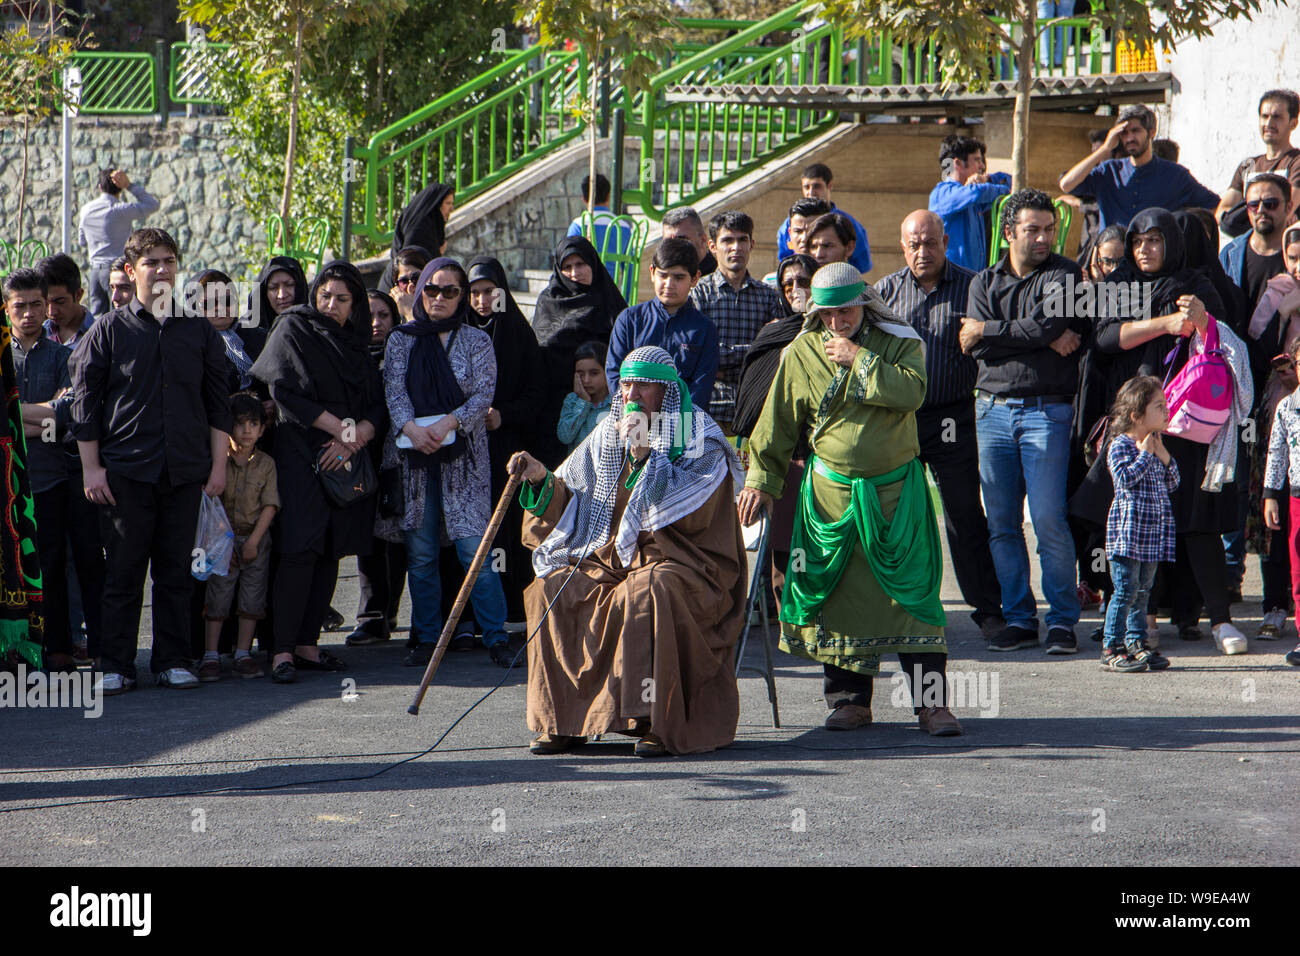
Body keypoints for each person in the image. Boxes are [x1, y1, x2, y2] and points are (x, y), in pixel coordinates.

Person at [741, 262, 959, 735]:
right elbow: (777, 423)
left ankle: (931, 704)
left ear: (864, 304)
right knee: (837, 596)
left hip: (896, 495)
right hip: (831, 496)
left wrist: (858, 358)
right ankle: (849, 701)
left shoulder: (900, 341)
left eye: (845, 312)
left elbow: (912, 393)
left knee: (913, 598)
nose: (837, 322)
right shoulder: (800, 352)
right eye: (827, 314)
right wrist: (761, 481)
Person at [513, 345, 747, 756]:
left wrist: (645, 458)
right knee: (551, 588)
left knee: (648, 590)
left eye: (644, 386)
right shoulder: (608, 431)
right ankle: (564, 722)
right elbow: (572, 498)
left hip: (685, 562)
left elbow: (694, 516)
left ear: (667, 392)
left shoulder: (698, 438)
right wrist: (539, 478)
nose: (631, 395)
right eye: (626, 385)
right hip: (609, 557)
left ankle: (654, 720)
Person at [1070, 208, 1253, 655]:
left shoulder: (1196, 283)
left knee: (1197, 518)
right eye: (1137, 241)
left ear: (1171, 243)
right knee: (1137, 518)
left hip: (1186, 424)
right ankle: (1141, 618)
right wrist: (1166, 324)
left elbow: (1223, 338)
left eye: (1154, 240)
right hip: (1136, 421)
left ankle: (1220, 621)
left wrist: (1202, 319)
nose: (1144, 249)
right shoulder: (1118, 286)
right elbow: (1106, 339)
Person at [69, 227, 233, 694]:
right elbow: (85, 406)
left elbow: (218, 402)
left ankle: (173, 660)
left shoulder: (198, 330)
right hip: (125, 473)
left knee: (176, 573)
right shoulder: (108, 330)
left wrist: (218, 466)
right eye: (151, 262)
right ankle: (117, 665)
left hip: (185, 472)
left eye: (169, 260)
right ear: (129, 270)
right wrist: (91, 468)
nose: (162, 270)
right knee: (122, 573)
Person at [960, 190, 1087, 655]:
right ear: (1008, 232)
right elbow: (974, 347)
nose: (1043, 237)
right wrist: (1036, 336)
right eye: (1032, 229)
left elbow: (1046, 328)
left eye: (1049, 229)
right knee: (1003, 524)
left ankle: (1061, 620)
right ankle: (1018, 618)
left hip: (1046, 411)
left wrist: (993, 330)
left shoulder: (1065, 274)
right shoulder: (983, 281)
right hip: (990, 411)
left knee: (1050, 520)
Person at [250, 260, 387, 684]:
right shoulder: (294, 328)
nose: (331, 305)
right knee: (298, 548)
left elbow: (377, 407)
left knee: (331, 548)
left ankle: (309, 646)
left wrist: (354, 437)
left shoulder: (357, 344)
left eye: (342, 299)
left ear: (355, 305)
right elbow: (285, 392)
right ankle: (282, 650)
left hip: (344, 458)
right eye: (325, 295)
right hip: (301, 454)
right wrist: (342, 431)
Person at [374, 257, 512, 668]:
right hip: (414, 459)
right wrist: (413, 430)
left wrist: (451, 423)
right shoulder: (402, 339)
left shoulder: (476, 340)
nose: (439, 297)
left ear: (462, 297)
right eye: (431, 289)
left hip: (464, 459)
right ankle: (426, 637)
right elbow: (394, 390)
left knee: (476, 551)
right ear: (419, 293)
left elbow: (484, 393)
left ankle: (497, 636)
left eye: (450, 291)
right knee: (421, 554)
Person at [876, 211, 1005, 638]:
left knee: (964, 514)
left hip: (953, 418)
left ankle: (988, 610)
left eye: (930, 242)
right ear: (902, 246)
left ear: (945, 241)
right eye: (914, 244)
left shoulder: (974, 286)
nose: (923, 251)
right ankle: (898, 608)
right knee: (896, 518)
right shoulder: (885, 293)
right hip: (900, 420)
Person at [733, 253, 818, 611]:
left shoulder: (836, 331)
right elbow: (752, 398)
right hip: (785, 456)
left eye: (804, 281)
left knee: (824, 543)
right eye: (788, 284)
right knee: (784, 545)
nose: (796, 289)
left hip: (825, 455)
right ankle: (789, 621)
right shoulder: (774, 332)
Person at [465, 255, 544, 628]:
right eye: (475, 293)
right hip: (464, 451)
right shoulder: (459, 333)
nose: (482, 301)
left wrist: (504, 415)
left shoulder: (518, 335)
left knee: (508, 528)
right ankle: (472, 616)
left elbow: (536, 396)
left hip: (507, 447)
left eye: (489, 292)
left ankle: (511, 610)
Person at [6, 270, 76, 671]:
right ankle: (13, 650)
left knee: (51, 565)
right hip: (8, 480)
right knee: (10, 570)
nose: (30, 313)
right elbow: (45, 417)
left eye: (37, 304)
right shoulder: (3, 358)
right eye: (21, 306)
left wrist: (15, 416)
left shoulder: (65, 357)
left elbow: (64, 417)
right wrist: (41, 415)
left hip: (50, 479)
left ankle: (56, 647)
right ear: (7, 308)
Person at [344, 289, 408, 648]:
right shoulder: (347, 354)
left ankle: (389, 610)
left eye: (384, 315)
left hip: (396, 457)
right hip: (355, 454)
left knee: (395, 534)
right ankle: (371, 615)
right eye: (369, 315)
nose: (376, 324)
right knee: (367, 538)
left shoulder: (402, 354)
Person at [1101, 376, 1177, 672]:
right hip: (1128, 537)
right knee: (1125, 591)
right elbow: (1125, 480)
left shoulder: (1158, 444)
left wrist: (1163, 455)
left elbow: (1174, 483)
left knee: (1144, 591)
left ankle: (1137, 643)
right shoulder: (1120, 445)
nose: (1166, 411)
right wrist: (1146, 454)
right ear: (1136, 415)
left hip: (1152, 537)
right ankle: (1112, 646)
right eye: (1159, 406)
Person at [199, 394, 279, 680]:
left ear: (262, 428)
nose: (247, 430)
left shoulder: (267, 464)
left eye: (253, 424)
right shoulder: (217, 460)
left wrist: (255, 542)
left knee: (252, 598)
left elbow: (270, 505)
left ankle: (243, 653)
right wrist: (225, 543)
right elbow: (211, 504)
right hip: (222, 541)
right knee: (218, 595)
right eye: (240, 424)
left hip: (256, 539)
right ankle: (211, 654)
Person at [530, 236, 628, 467]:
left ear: (593, 263)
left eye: (581, 264)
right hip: (553, 409)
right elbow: (538, 354)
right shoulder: (548, 302)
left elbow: (623, 354)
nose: (575, 272)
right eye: (567, 266)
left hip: (601, 408)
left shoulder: (609, 302)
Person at [688, 210, 784, 433]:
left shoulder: (768, 296)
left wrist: (723, 361)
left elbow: (775, 354)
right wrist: (755, 349)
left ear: (752, 244)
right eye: (727, 240)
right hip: (708, 410)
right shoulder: (699, 293)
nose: (736, 247)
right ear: (712, 246)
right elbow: (700, 354)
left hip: (756, 409)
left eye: (742, 240)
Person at [1059, 104, 1219, 230]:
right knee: (1069, 273)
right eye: (1124, 133)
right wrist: (1105, 148)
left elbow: (1215, 206)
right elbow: (1067, 185)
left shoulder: (1175, 175)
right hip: (1112, 262)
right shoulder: (1108, 171)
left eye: (1135, 131)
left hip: (1155, 264)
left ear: (1151, 132)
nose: (1129, 138)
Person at [605, 238, 718, 409]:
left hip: (684, 423)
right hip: (634, 418)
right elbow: (615, 373)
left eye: (679, 277)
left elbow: (702, 385)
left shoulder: (704, 328)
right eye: (663, 275)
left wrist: (679, 418)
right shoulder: (629, 320)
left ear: (695, 278)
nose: (669, 284)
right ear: (652, 273)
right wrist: (632, 409)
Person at [1263, 332, 1300, 666]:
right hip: (1297, 499)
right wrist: (1270, 495)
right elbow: (1276, 453)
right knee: (1299, 570)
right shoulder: (1287, 407)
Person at [77, 169, 160, 316]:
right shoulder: (119, 209)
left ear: (100, 187)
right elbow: (152, 204)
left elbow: (82, 241)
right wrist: (129, 185)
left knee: (97, 320)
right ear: (120, 188)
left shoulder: (86, 210)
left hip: (95, 270)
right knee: (121, 315)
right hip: (117, 270)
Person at [1218, 89, 1300, 235]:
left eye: (1277, 117)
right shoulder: (1248, 166)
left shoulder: (1296, 162)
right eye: (1264, 116)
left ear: (1293, 123)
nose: (1269, 123)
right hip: (1249, 251)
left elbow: (1286, 209)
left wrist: (1241, 217)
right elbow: (1222, 213)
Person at [928, 134, 1012, 272]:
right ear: (958, 164)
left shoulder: (972, 195)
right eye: (977, 160)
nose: (982, 166)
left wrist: (988, 179)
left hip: (973, 279)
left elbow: (1010, 182)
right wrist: (984, 185)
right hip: (951, 281)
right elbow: (978, 192)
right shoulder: (941, 194)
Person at [776, 162, 872, 273]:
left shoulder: (847, 224)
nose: (811, 192)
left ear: (830, 185)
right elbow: (784, 262)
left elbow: (862, 264)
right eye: (806, 187)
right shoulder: (788, 225)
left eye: (817, 186)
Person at [1220, 173, 1293, 309]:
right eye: (1253, 205)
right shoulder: (1230, 254)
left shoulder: (1296, 252)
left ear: (1288, 207)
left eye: (1270, 204)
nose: (1261, 210)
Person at [378, 183, 454, 292]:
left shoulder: (428, 225)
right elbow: (410, 261)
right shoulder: (420, 229)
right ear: (436, 204)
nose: (452, 208)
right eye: (448, 203)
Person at [566, 173, 633, 289]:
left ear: (584, 198)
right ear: (608, 196)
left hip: (583, 293)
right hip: (611, 294)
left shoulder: (578, 225)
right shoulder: (623, 226)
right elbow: (629, 269)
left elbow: (568, 264)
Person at [558, 341, 611, 451]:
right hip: (578, 466)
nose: (586, 380)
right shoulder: (572, 401)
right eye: (581, 374)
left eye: (594, 373)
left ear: (607, 372)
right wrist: (583, 402)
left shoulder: (616, 403)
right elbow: (565, 437)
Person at [38, 254, 96, 346]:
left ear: (78, 295)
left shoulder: (100, 337)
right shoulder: (38, 336)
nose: (51, 312)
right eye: (45, 303)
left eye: (60, 302)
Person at [243, 256, 308, 332]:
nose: (282, 295)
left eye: (289, 285)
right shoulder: (245, 332)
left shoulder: (314, 329)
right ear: (264, 293)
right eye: (273, 288)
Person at [660, 207, 717, 276]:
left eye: (681, 240)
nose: (673, 248)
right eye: (668, 242)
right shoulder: (666, 280)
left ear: (703, 240)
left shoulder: (720, 277)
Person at [389, 246, 433, 323]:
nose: (411, 286)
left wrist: (409, 312)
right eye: (404, 281)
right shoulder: (388, 315)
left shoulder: (441, 308)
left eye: (417, 278)